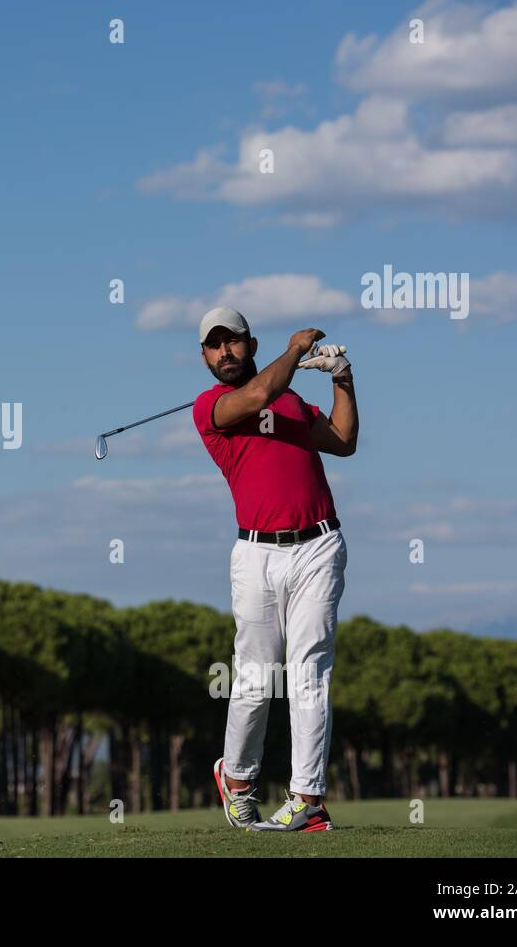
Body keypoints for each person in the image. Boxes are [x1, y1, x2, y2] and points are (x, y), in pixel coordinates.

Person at [192, 306, 357, 833]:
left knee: (309, 673)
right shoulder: (211, 408)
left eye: (233, 342)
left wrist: (343, 379)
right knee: (257, 679)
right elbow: (258, 397)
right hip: (256, 554)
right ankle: (237, 780)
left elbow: (344, 441)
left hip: (318, 546)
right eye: (214, 346)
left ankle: (307, 799)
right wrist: (296, 348)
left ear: (250, 344)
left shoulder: (291, 400)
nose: (224, 352)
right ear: (204, 357)